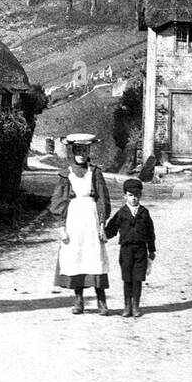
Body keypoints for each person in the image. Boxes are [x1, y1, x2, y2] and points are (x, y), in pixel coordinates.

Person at [49, 134, 112, 315]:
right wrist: (61, 227)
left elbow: (102, 200)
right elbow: (59, 201)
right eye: (78, 150)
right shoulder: (66, 174)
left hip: (91, 218)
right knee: (76, 256)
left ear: (89, 151)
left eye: (85, 150)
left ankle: (102, 302)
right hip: (74, 219)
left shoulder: (95, 172)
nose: (82, 154)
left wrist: (102, 224)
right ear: (72, 151)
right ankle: (79, 301)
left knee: (95, 256)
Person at [104, 177, 156, 317]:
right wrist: (103, 235)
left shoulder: (144, 212)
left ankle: (136, 306)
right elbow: (112, 229)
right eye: (130, 195)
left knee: (138, 278)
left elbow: (151, 232)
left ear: (141, 196)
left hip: (141, 250)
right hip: (126, 250)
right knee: (127, 278)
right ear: (125, 196)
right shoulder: (122, 212)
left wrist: (151, 250)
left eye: (137, 195)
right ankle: (127, 306)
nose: (134, 199)